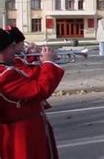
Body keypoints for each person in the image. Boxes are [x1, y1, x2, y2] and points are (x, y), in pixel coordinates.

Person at [0, 28, 64, 159]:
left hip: (26, 128)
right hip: (22, 133)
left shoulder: (7, 70)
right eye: (11, 47)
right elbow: (40, 89)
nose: (15, 51)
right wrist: (48, 63)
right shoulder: (5, 75)